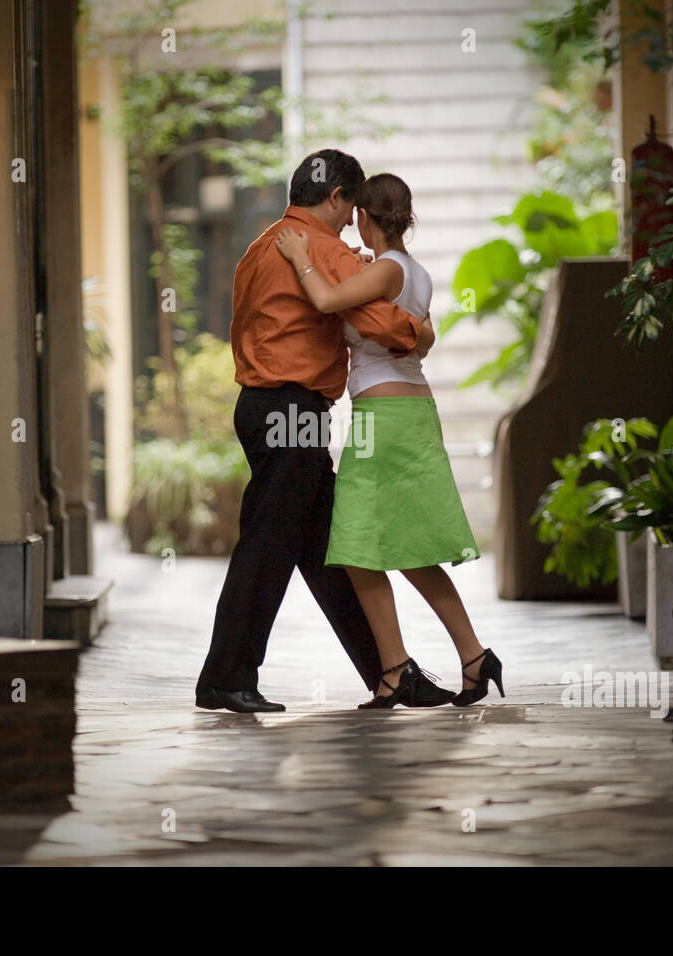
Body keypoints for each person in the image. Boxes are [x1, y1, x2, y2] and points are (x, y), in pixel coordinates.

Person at [195, 150, 457, 714]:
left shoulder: (263, 245)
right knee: (269, 546)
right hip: (294, 411)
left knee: (332, 552)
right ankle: (226, 677)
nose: (352, 222)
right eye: (350, 208)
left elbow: (245, 324)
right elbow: (374, 320)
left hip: (265, 404)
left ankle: (391, 673)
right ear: (337, 197)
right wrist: (421, 330)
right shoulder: (324, 248)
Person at [274, 172, 504, 709]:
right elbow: (420, 340)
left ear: (361, 216)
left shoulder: (384, 272)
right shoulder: (415, 272)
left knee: (355, 544)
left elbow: (328, 300)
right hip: (412, 412)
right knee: (405, 548)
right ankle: (470, 657)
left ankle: (398, 669)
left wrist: (300, 254)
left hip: (383, 416)